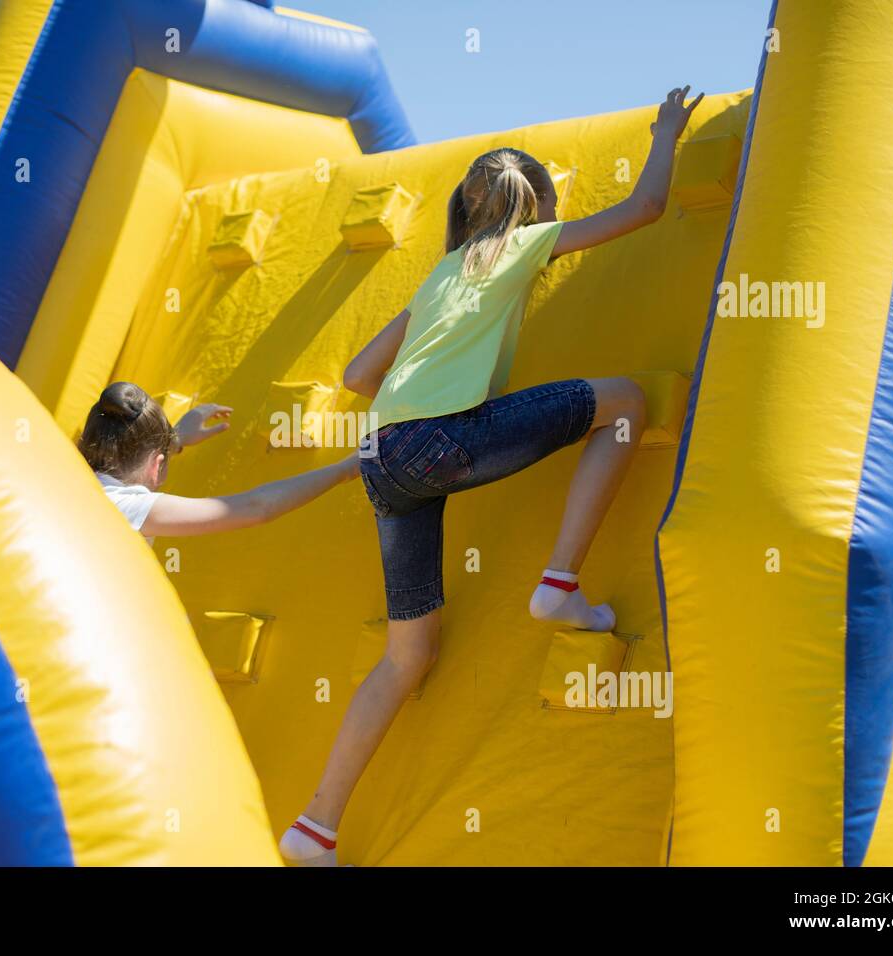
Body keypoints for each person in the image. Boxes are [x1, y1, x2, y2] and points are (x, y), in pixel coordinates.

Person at [279, 86, 704, 865]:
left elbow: (357, 373)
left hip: (383, 461)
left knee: (408, 657)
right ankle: (562, 581)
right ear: (533, 209)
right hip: (437, 444)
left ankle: (315, 825)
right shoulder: (522, 247)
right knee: (624, 403)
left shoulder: (438, 277)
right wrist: (667, 131)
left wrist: (436, 382)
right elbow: (645, 209)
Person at [78, 382, 357, 542]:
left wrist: (175, 440)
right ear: (157, 465)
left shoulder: (71, 480)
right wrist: (343, 469)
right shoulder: (128, 508)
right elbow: (256, 508)